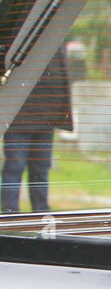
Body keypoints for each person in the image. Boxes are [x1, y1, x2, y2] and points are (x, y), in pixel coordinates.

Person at [1, 50, 73, 214]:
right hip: (18, 121)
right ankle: (10, 213)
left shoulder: (54, 45)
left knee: (40, 169)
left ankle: (40, 212)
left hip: (45, 120)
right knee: (14, 167)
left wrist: (59, 114)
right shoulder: (22, 43)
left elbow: (61, 81)